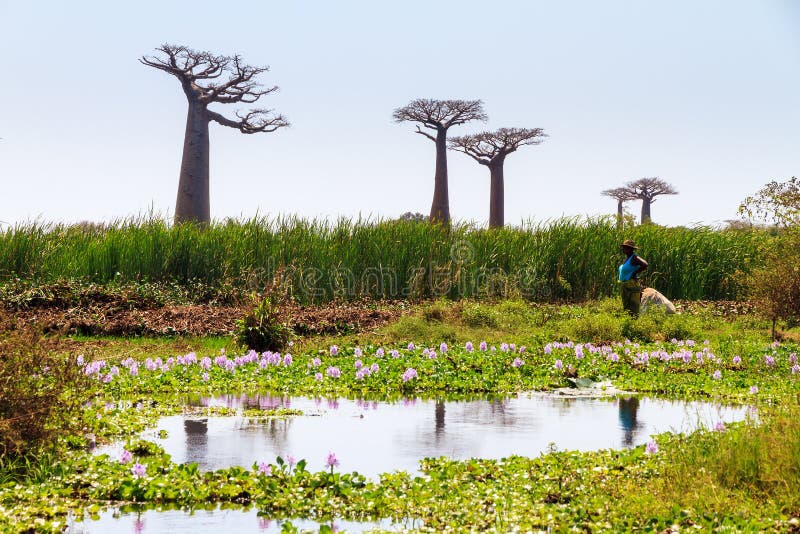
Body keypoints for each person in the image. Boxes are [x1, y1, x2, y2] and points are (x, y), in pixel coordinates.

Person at [618, 239, 648, 315]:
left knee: (633, 307)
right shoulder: (627, 258)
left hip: (631, 285)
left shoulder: (634, 257)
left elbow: (645, 264)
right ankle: (628, 320)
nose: (623, 249)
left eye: (626, 247)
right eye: (623, 247)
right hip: (625, 285)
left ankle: (633, 321)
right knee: (627, 306)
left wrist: (634, 273)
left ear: (631, 249)